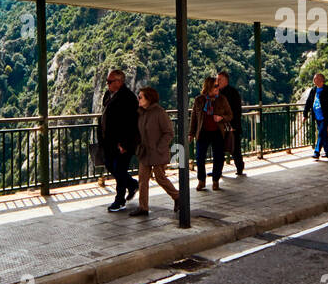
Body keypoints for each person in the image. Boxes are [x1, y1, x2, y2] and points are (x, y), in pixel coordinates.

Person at [127, 87, 179, 216]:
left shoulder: (159, 113)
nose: (138, 99)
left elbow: (169, 133)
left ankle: (178, 197)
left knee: (160, 178)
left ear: (149, 99)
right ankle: (143, 207)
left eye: (141, 97)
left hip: (157, 152)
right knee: (142, 179)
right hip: (145, 152)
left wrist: (159, 147)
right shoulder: (141, 113)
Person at [99, 69, 141, 212]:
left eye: (110, 81)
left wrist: (124, 143)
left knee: (119, 168)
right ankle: (132, 184)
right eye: (107, 81)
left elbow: (131, 123)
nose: (107, 84)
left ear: (119, 82)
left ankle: (120, 200)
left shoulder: (128, 97)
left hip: (123, 142)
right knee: (110, 165)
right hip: (109, 141)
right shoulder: (108, 95)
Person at [188, 76, 233, 191]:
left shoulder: (222, 99)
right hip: (202, 132)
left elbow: (230, 115)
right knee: (200, 157)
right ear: (209, 87)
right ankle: (201, 180)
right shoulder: (199, 100)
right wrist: (191, 133)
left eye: (218, 85)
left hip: (217, 132)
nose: (218, 88)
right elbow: (194, 118)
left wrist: (221, 118)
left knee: (218, 157)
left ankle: (215, 180)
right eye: (215, 86)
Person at [303, 73, 328, 161]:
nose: (314, 80)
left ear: (322, 80)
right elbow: (308, 102)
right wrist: (305, 114)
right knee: (324, 134)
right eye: (314, 79)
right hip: (317, 116)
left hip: (326, 116)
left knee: (321, 133)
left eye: (316, 79)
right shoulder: (313, 90)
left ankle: (316, 152)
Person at [216, 71, 245, 177]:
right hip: (220, 125)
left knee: (235, 148)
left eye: (220, 79)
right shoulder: (217, 92)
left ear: (226, 80)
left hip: (232, 125)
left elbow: (237, 110)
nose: (218, 81)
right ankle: (217, 171)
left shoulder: (233, 92)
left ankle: (239, 167)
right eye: (217, 79)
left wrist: (234, 126)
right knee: (219, 149)